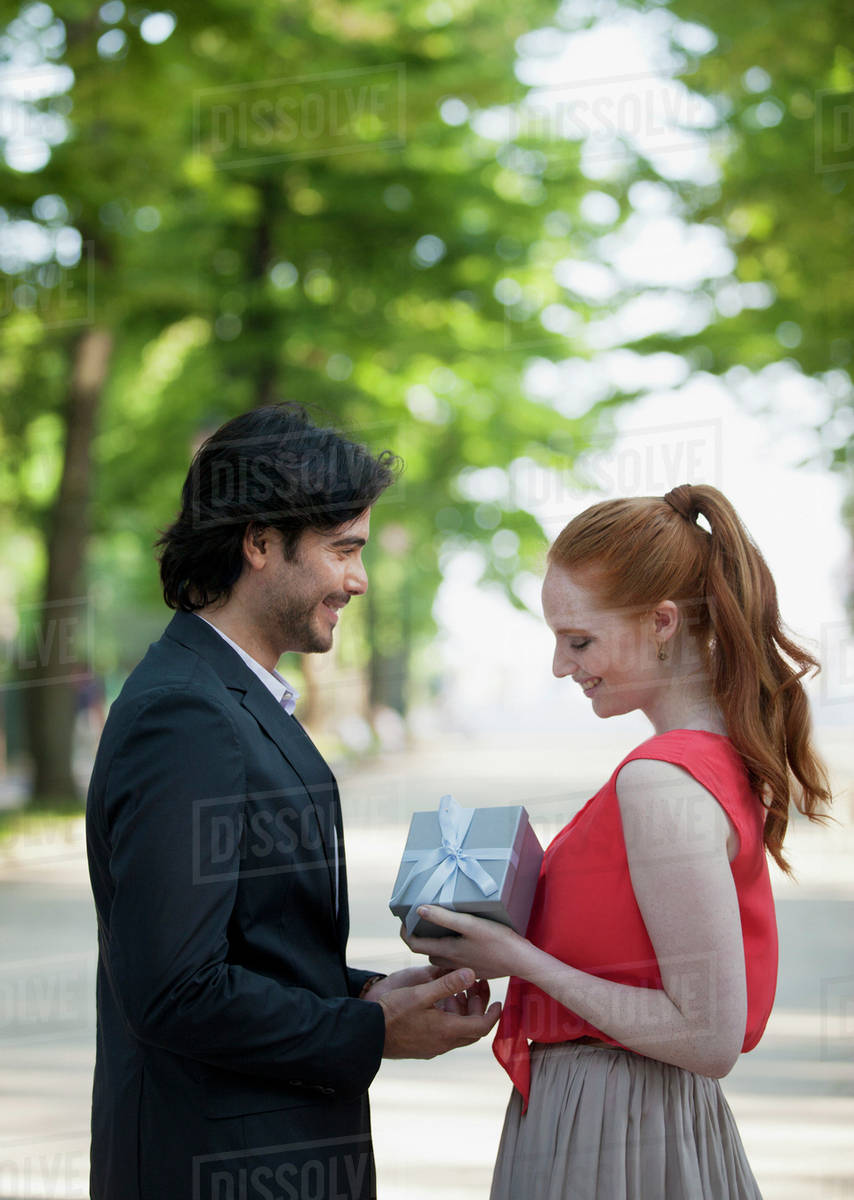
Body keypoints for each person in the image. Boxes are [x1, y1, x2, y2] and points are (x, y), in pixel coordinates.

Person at [85, 403, 500, 1200]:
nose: (360, 578)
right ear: (261, 542)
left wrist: (366, 993)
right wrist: (371, 1033)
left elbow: (249, 948)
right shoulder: (187, 712)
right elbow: (173, 990)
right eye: (344, 549)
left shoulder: (226, 694)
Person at [404, 483, 831, 1199]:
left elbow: (709, 1036)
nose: (561, 666)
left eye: (580, 641)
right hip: (633, 1116)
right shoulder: (707, 761)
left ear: (662, 621)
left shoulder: (660, 782)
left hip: (615, 1126)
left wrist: (518, 959)